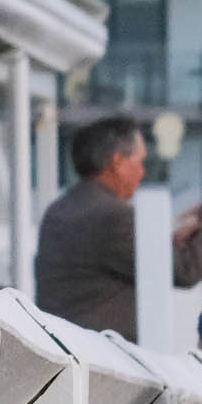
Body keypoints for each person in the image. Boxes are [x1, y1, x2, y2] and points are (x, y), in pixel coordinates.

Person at [34, 114, 149, 339]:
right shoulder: (115, 215)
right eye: (140, 161)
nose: (142, 172)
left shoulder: (59, 209)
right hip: (104, 357)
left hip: (64, 345)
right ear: (117, 162)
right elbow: (179, 268)